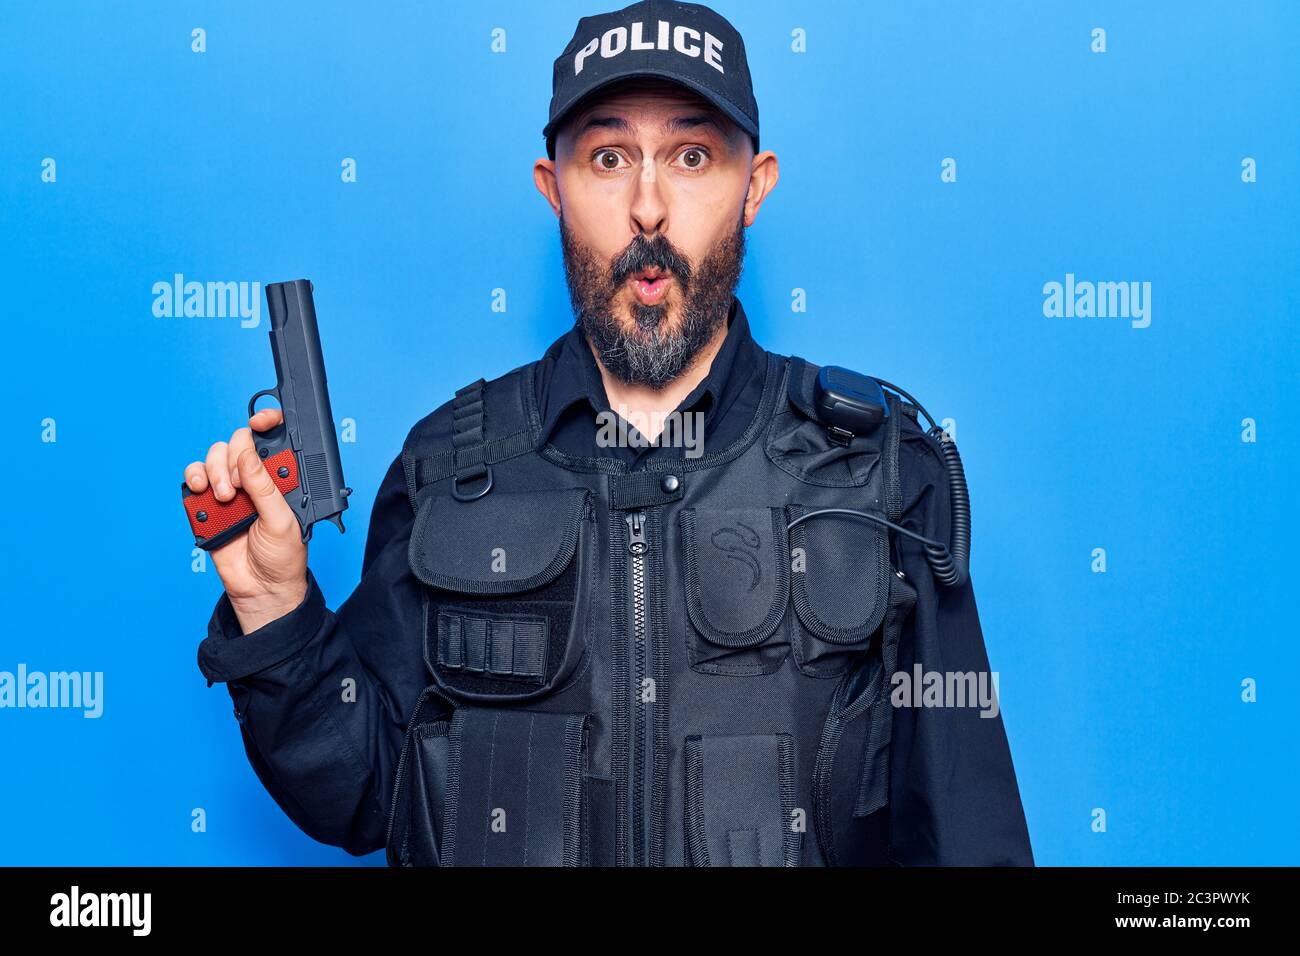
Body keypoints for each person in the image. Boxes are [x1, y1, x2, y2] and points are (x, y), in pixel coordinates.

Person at [183, 0, 1033, 866]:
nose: (648, 207)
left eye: (693, 156)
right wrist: (275, 609)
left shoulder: (880, 476)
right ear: (553, 187)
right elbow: (369, 797)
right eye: (608, 157)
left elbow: (968, 834)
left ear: (756, 185)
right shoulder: (444, 469)